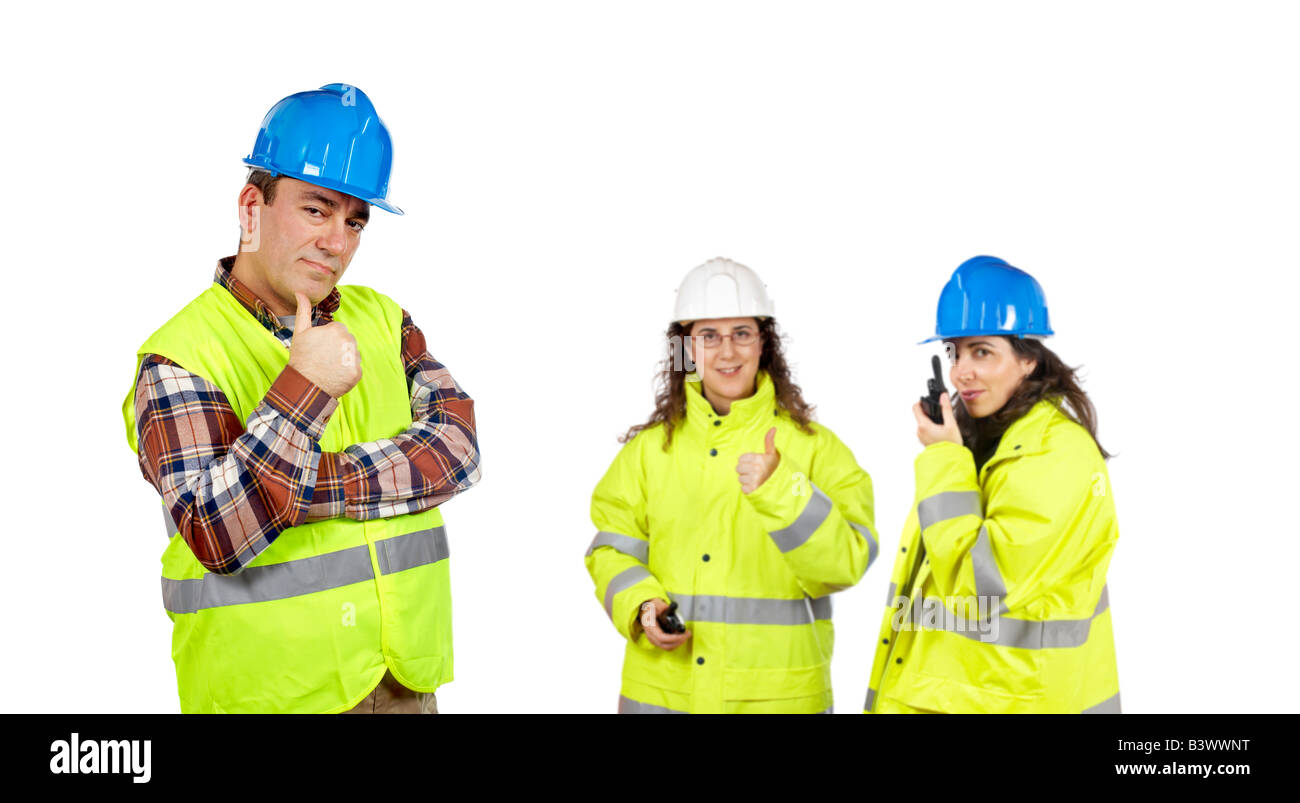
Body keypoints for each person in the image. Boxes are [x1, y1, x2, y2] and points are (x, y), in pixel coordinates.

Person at [120, 83, 481, 714]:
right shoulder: (179, 356)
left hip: (404, 689)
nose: (337, 243)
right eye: (317, 210)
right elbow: (215, 530)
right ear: (252, 207)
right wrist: (304, 390)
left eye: (355, 221)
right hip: (267, 698)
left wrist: (298, 486)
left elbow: (459, 451)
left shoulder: (385, 320)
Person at [585, 257, 878, 714]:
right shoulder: (647, 452)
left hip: (777, 700)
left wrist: (781, 489)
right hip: (664, 696)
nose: (727, 352)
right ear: (687, 348)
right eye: (709, 336)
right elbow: (610, 550)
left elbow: (845, 566)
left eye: (741, 333)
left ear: (764, 343)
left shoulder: (818, 449)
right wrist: (643, 606)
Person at [864, 255, 1120, 714]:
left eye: (982, 352)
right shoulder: (979, 443)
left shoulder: (1055, 453)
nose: (962, 372)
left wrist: (943, 458)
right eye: (953, 352)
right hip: (951, 695)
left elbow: (979, 590)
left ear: (1027, 359)